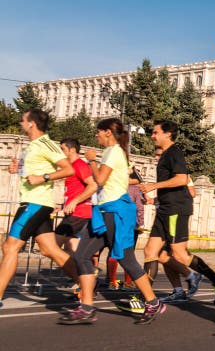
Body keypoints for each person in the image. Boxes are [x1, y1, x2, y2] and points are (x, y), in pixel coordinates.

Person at [60, 118, 164, 324]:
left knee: (126, 259)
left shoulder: (114, 151)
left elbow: (99, 180)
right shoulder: (116, 153)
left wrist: (91, 160)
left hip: (116, 211)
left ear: (108, 132)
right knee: (82, 255)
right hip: (103, 210)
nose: (96, 135)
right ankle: (87, 307)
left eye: (98, 132)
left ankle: (153, 302)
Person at [140, 120, 215, 304]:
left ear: (168, 134)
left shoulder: (175, 152)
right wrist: (154, 199)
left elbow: (182, 179)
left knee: (179, 254)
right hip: (164, 209)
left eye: (155, 132)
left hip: (176, 210)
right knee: (152, 251)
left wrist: (153, 186)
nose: (152, 136)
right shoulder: (165, 155)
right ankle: (149, 298)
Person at [0, 109, 79, 309]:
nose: (20, 123)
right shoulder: (32, 146)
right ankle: (86, 282)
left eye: (22, 120)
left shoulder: (46, 144)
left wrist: (43, 178)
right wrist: (16, 169)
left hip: (35, 203)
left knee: (10, 247)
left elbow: (68, 168)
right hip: (34, 201)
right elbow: (30, 172)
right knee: (49, 249)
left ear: (31, 123)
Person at [54, 138, 97, 255]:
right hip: (75, 213)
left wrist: (74, 202)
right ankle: (83, 271)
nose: (60, 152)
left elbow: (93, 186)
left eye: (62, 149)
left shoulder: (79, 165)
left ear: (72, 150)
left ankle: (86, 270)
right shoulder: (71, 166)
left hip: (79, 213)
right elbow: (75, 189)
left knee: (52, 246)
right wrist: (63, 205)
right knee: (70, 249)